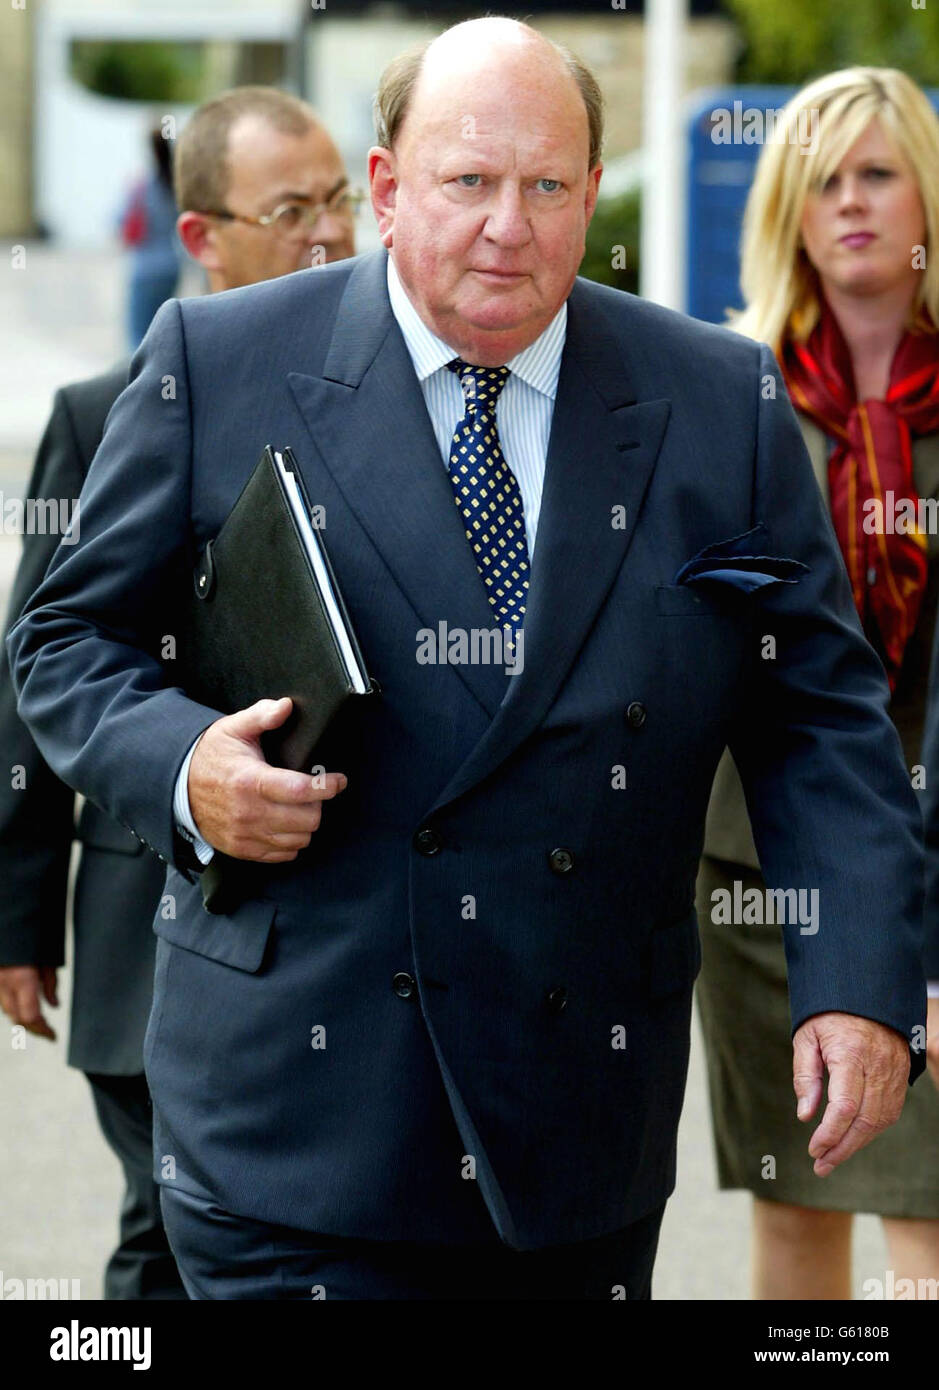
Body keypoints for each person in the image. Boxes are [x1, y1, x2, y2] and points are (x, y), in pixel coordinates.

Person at [7, 19, 930, 1302]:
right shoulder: (218, 365)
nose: (509, 224)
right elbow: (64, 638)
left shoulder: (720, 403)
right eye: (468, 182)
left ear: (592, 195)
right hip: (293, 1128)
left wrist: (861, 982)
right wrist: (182, 768)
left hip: (572, 1140)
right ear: (387, 190)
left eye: (547, 186)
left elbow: (819, 720)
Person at [0, 85, 357, 1299]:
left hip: (338, 931)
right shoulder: (99, 415)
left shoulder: (395, 396)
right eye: (292, 207)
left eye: (341, 198)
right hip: (143, 921)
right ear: (201, 236)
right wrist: (15, 916)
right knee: (164, 1242)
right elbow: (40, 662)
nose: (330, 231)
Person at [695, 67, 939, 1301]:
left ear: (928, 203)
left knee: (928, 1236)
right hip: (758, 882)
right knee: (794, 1225)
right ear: (788, 205)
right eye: (823, 179)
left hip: (932, 863)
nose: (851, 203)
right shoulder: (732, 399)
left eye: (879, 174)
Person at [119, 125, 182, 350]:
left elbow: (122, 225)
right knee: (162, 337)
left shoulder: (140, 186)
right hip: (171, 265)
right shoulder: (174, 185)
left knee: (137, 339)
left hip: (144, 267)